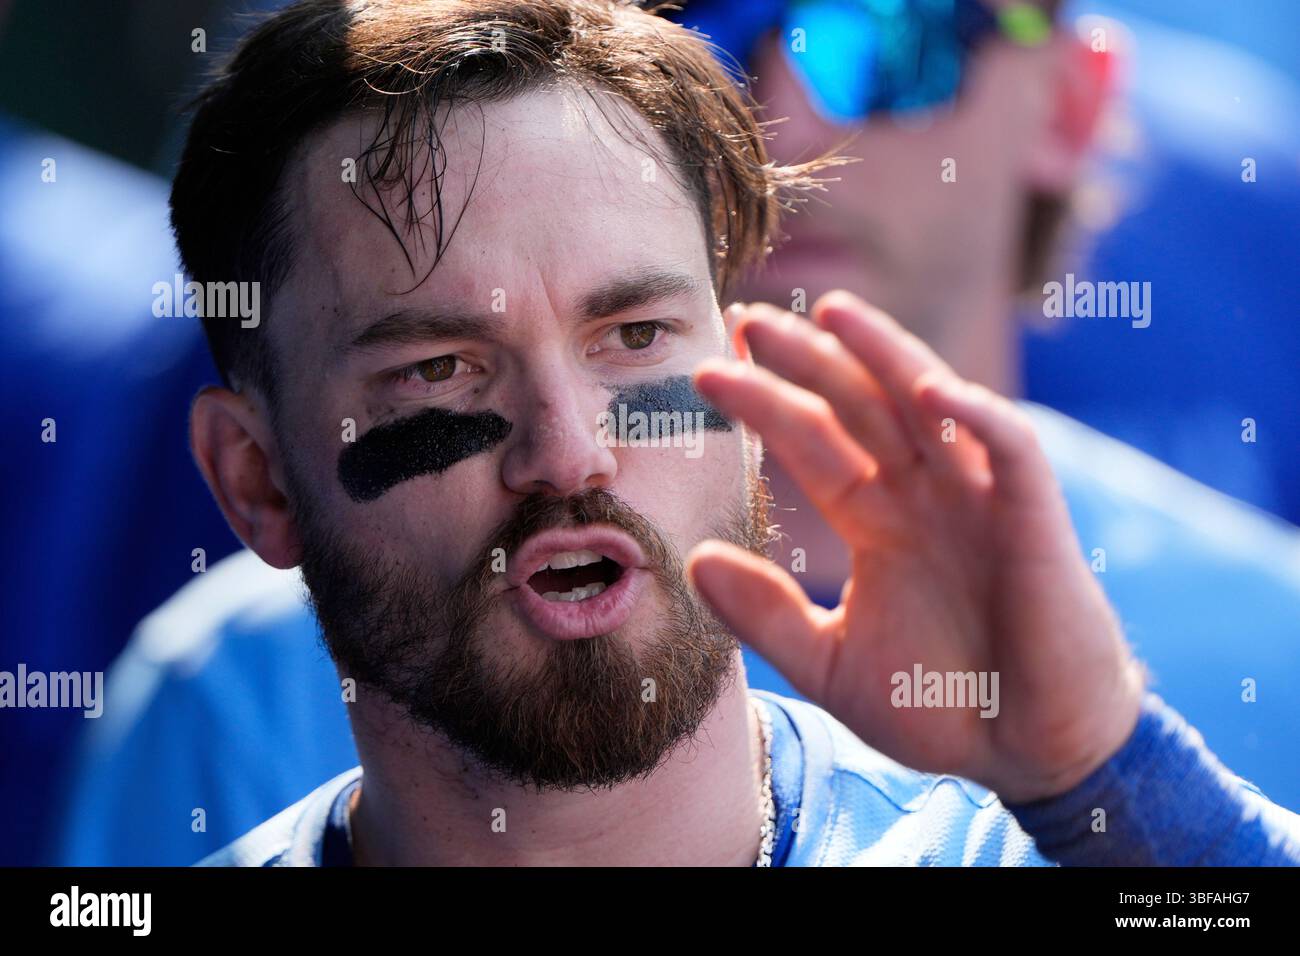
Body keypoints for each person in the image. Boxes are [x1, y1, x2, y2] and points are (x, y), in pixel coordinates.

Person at [55, 0, 1300, 866]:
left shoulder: (1058, 839)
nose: (569, 448)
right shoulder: (213, 703)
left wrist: (1105, 773)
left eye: (635, 338)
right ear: (254, 478)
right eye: (440, 367)